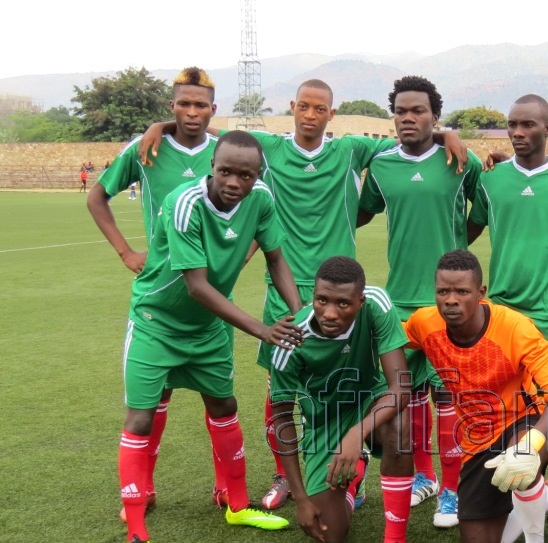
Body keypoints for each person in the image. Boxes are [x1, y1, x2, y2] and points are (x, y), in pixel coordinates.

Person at [138, 78, 468, 511]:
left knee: (351, 384)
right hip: (288, 292)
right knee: (282, 387)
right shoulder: (268, 149)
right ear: (293, 107)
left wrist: (447, 133)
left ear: (331, 114)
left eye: (320, 109)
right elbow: (207, 130)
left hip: (343, 291)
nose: (311, 115)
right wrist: (160, 126)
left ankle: (356, 471)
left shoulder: (350, 149)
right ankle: (284, 474)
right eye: (304, 107)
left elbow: (409, 140)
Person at [118, 131, 305, 543]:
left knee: (225, 407)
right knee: (139, 419)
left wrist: (300, 315)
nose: (234, 182)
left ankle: (237, 506)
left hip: (208, 330)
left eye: (246, 174)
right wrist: (263, 330)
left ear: (258, 175)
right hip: (155, 324)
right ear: (212, 167)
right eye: (226, 171)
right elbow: (197, 286)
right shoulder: (186, 204)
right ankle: (137, 536)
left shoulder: (260, 199)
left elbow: (276, 258)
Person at [403, 250, 548, 543]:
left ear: (480, 291)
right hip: (478, 441)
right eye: (442, 292)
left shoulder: (514, 327)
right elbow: (389, 341)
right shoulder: (424, 324)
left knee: (522, 461)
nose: (451, 300)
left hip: (523, 422)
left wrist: (533, 441)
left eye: (462, 292)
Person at [88, 67, 222, 520]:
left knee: (219, 399)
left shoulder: (223, 150)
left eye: (200, 104)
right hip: (160, 298)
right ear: (171, 107)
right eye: (183, 104)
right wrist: (126, 251)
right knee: (154, 399)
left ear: (212, 109)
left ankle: (228, 490)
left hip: (208, 300)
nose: (191, 112)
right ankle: (141, 489)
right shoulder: (147, 149)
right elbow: (96, 197)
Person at [358, 76, 482, 527]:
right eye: (401, 111)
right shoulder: (382, 164)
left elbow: (482, 214)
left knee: (450, 398)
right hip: (399, 301)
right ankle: (423, 478)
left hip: (449, 303)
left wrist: (452, 260)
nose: (409, 118)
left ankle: (451, 489)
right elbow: (360, 211)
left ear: (435, 115)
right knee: (405, 398)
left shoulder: (460, 161)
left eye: (419, 111)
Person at [467, 93, 548, 483]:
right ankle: (510, 477)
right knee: (506, 398)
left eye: (528, 125)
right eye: (512, 125)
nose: (518, 133)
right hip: (501, 310)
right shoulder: (490, 182)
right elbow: (466, 233)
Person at [268, 256, 415, 543]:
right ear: (313, 295)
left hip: (368, 402)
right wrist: (302, 498)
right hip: (323, 422)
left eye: (343, 303)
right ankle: (354, 477)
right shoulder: (290, 339)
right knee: (328, 539)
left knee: (400, 429)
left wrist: (356, 432)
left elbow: (400, 387)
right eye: (322, 300)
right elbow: (281, 418)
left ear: (360, 302)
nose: (330, 313)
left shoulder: (376, 304)